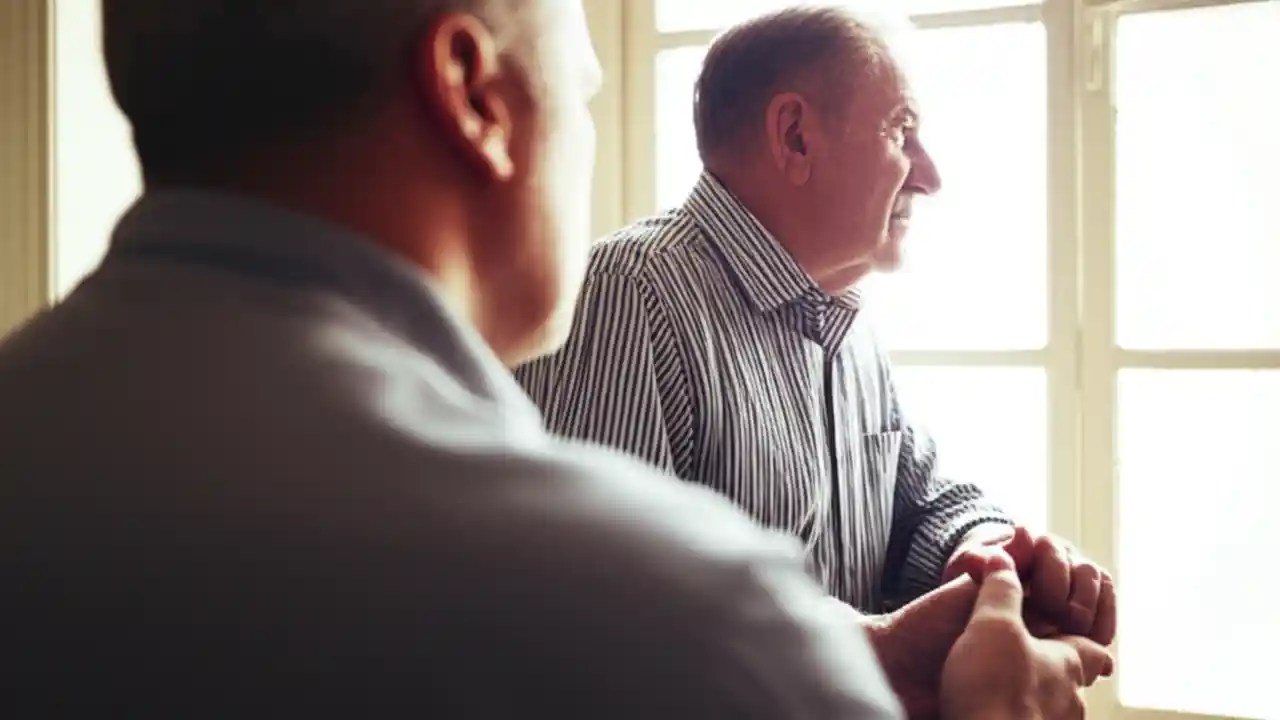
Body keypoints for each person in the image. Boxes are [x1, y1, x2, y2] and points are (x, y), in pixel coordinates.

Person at [0, 1, 1108, 717]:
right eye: (580, 89)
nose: (931, 176)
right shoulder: (675, 604)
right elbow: (629, 634)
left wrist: (888, 631)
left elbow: (912, 483)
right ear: (476, 96)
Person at [514, 5, 1117, 716]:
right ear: (795, 136)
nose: (930, 175)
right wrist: (876, 645)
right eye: (902, 130)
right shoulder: (630, 296)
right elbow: (607, 620)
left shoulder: (847, 323)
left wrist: (993, 555)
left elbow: (919, 502)